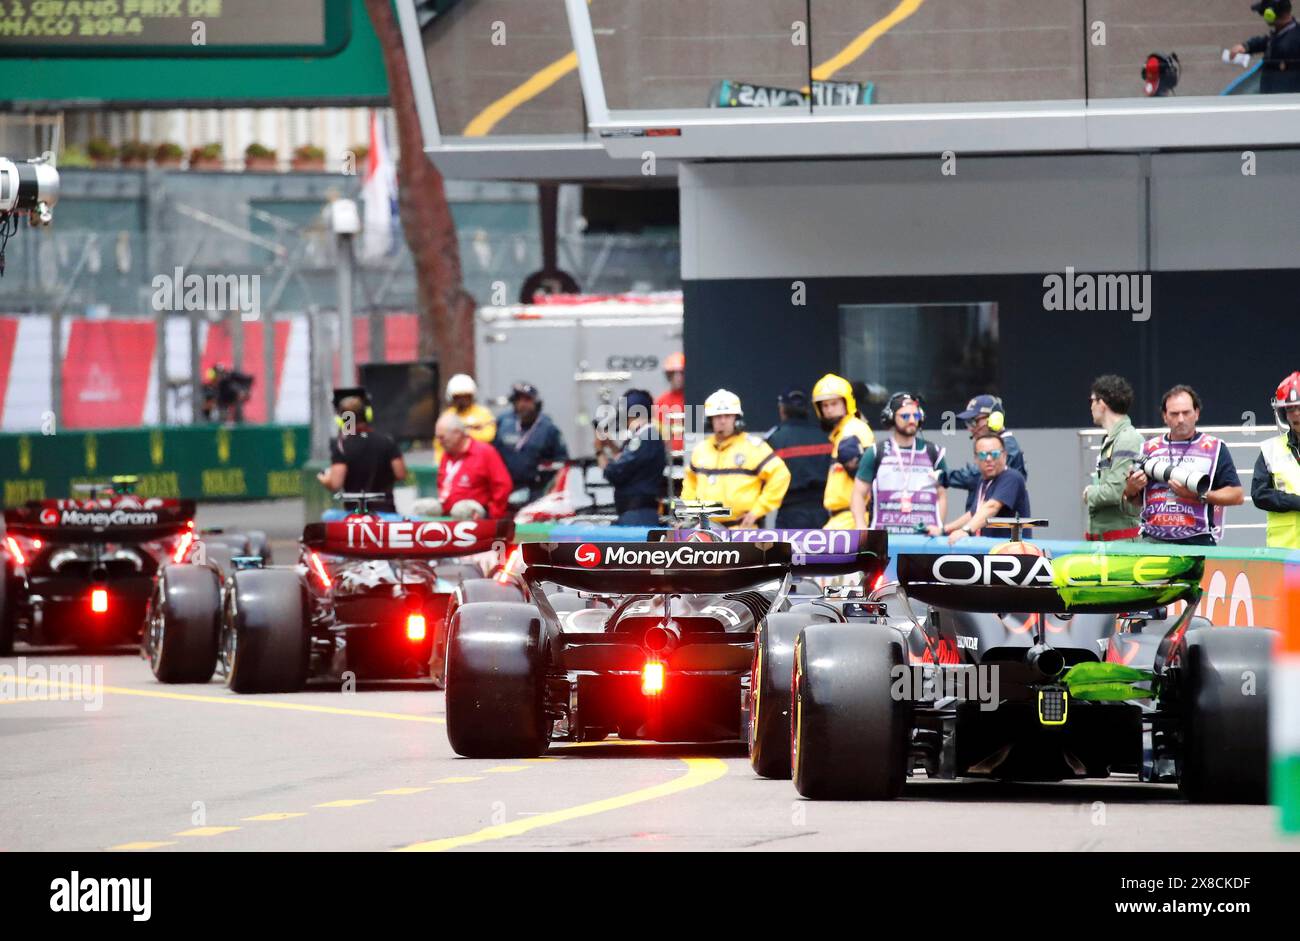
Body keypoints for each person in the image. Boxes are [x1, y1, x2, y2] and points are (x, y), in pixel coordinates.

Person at [1124, 385, 1244, 546]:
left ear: (1197, 413)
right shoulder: (1148, 448)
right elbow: (1138, 500)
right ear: (1165, 416)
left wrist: (1197, 495)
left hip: (1197, 541)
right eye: (1174, 414)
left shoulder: (1214, 448)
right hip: (1153, 541)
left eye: (1186, 412)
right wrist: (1131, 489)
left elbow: (1236, 496)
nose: (1180, 419)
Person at [681, 389, 790, 529]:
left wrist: (759, 510)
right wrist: (689, 514)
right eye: (717, 416)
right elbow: (690, 484)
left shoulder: (753, 447)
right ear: (709, 420)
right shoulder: (701, 449)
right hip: (706, 530)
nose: (722, 421)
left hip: (742, 530)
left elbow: (781, 475)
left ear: (737, 418)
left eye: (728, 415)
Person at [851, 392, 948, 533]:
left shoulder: (934, 452)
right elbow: (858, 494)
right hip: (883, 538)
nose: (911, 420)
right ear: (891, 418)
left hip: (924, 540)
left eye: (916, 416)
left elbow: (941, 496)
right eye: (905, 416)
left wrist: (938, 528)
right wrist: (861, 528)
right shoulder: (876, 452)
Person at [929, 433, 1031, 544]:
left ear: (1005, 455)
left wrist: (966, 530)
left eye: (995, 454)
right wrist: (944, 530)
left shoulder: (1012, 477)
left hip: (1014, 553)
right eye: (982, 455)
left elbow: (992, 507)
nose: (988, 459)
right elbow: (974, 513)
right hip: (991, 552)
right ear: (976, 459)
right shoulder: (983, 481)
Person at [318, 390, 407, 513]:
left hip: (354, 517)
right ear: (367, 414)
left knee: (329, 516)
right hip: (386, 514)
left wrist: (325, 479)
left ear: (341, 419)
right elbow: (401, 474)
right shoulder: (387, 441)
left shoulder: (341, 446)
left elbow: (336, 484)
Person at [1083, 375, 1145, 542]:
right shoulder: (1113, 439)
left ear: (1102, 404)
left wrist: (1090, 493)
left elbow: (1115, 491)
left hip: (1120, 546)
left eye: (1092, 400)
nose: (1090, 407)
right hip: (1108, 543)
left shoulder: (1127, 439)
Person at [415, 413, 512, 520]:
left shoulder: (485, 452)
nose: (439, 442)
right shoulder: (446, 456)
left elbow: (503, 486)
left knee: (462, 510)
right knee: (423, 507)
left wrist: (493, 515)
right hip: (448, 515)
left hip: (475, 517)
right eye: (438, 438)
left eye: (442, 438)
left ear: (457, 433)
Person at [811, 373, 876, 529]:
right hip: (845, 519)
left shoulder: (851, 431)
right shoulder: (846, 431)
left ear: (847, 402)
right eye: (824, 406)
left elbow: (866, 481)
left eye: (834, 404)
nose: (829, 410)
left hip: (850, 520)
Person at [764, 389, 831, 529]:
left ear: (782, 409)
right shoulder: (825, 436)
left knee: (786, 551)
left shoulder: (774, 438)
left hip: (789, 512)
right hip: (822, 512)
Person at [599, 388, 666, 526]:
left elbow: (615, 472)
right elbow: (628, 459)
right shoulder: (644, 437)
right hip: (635, 514)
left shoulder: (645, 437)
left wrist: (599, 451)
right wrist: (610, 444)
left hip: (638, 516)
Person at [493, 382, 569, 504]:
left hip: (537, 490)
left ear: (536, 403)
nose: (522, 404)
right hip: (506, 488)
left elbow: (562, 464)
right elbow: (492, 455)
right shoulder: (504, 424)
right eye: (518, 400)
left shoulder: (549, 429)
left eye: (527, 400)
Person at [1251, 371, 1300, 548]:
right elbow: (1259, 494)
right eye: (1290, 409)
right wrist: (1295, 502)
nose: (1296, 414)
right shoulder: (1270, 450)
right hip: (1283, 554)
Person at [947, 395, 1027, 494]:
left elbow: (975, 476)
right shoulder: (1006, 445)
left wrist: (941, 476)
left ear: (994, 419)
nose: (970, 428)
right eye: (967, 423)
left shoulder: (1009, 448)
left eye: (973, 421)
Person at [1229, 0, 1300, 94]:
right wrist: (1247, 46)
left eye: (1263, 13)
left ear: (1270, 15)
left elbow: (1281, 87)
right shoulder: (1292, 30)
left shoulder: (1285, 47)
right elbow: (1269, 40)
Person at [435, 373, 496, 460]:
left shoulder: (483, 414)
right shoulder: (447, 416)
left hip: (478, 460)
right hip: (453, 461)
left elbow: (488, 436)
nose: (462, 400)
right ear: (451, 398)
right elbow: (439, 442)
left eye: (466, 396)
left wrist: (460, 433)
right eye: (458, 397)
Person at [655, 351, 687, 454]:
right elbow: (657, 433)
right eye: (674, 373)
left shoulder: (695, 399)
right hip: (669, 458)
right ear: (669, 376)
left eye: (681, 373)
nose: (678, 377)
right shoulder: (661, 401)